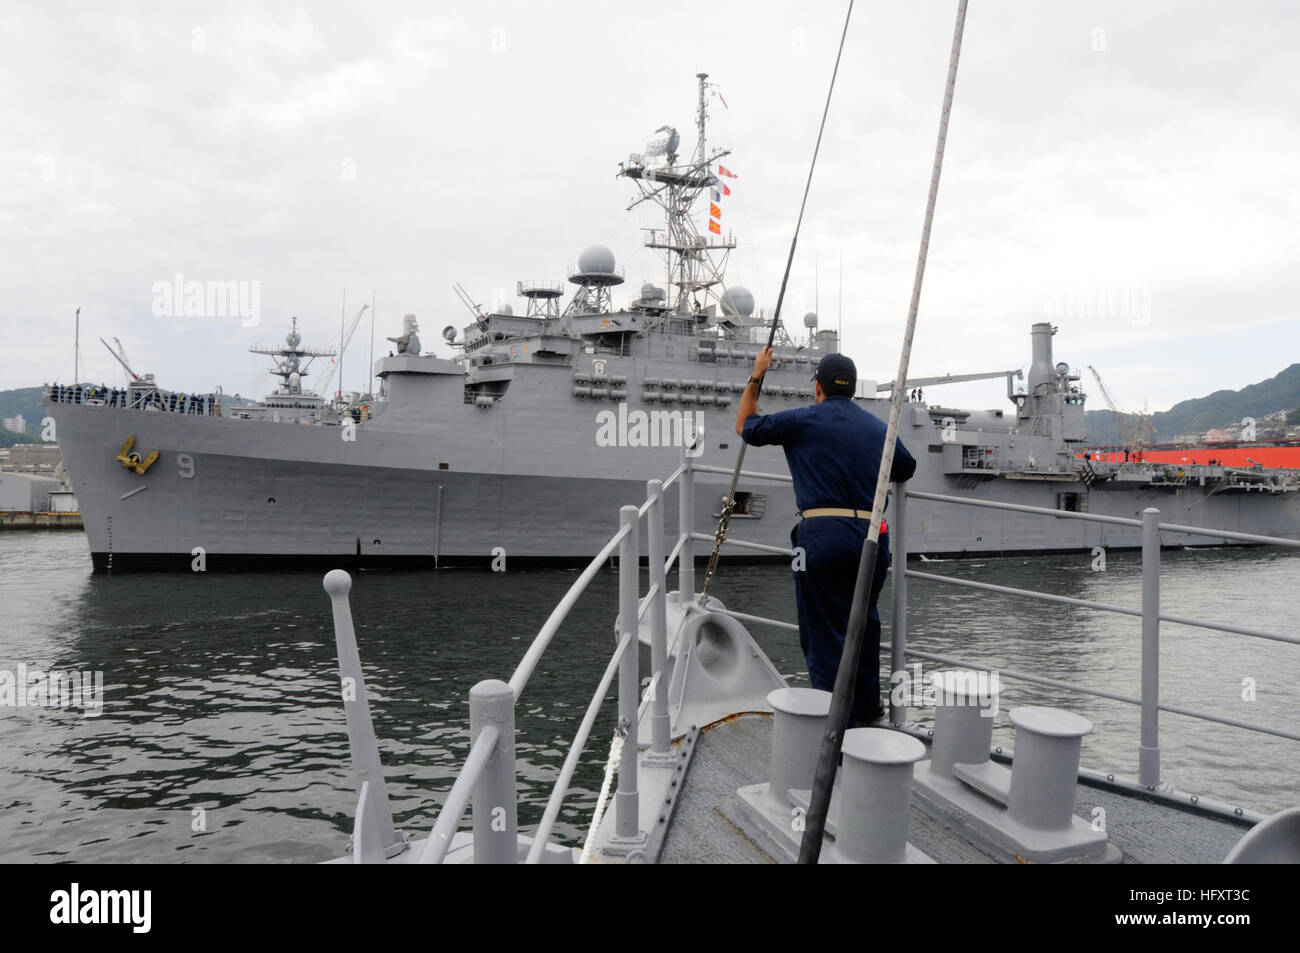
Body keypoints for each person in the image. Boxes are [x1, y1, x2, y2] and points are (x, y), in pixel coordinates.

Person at [736, 347, 917, 724]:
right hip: (870, 534)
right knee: (864, 626)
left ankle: (829, 725)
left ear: (817, 387)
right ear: (852, 390)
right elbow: (905, 467)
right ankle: (866, 718)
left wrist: (757, 374)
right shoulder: (877, 428)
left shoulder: (803, 420)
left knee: (822, 632)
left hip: (820, 536)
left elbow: (746, 427)